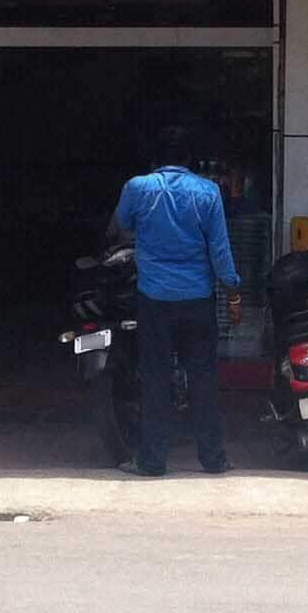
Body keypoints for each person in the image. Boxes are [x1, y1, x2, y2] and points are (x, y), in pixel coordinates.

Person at [112, 138, 242, 477]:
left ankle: (152, 461)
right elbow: (220, 248)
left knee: (155, 380)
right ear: (190, 161)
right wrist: (233, 291)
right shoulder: (208, 192)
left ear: (156, 160)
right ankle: (213, 459)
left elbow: (120, 225)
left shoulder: (137, 188)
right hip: (197, 299)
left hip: (153, 298)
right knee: (203, 378)